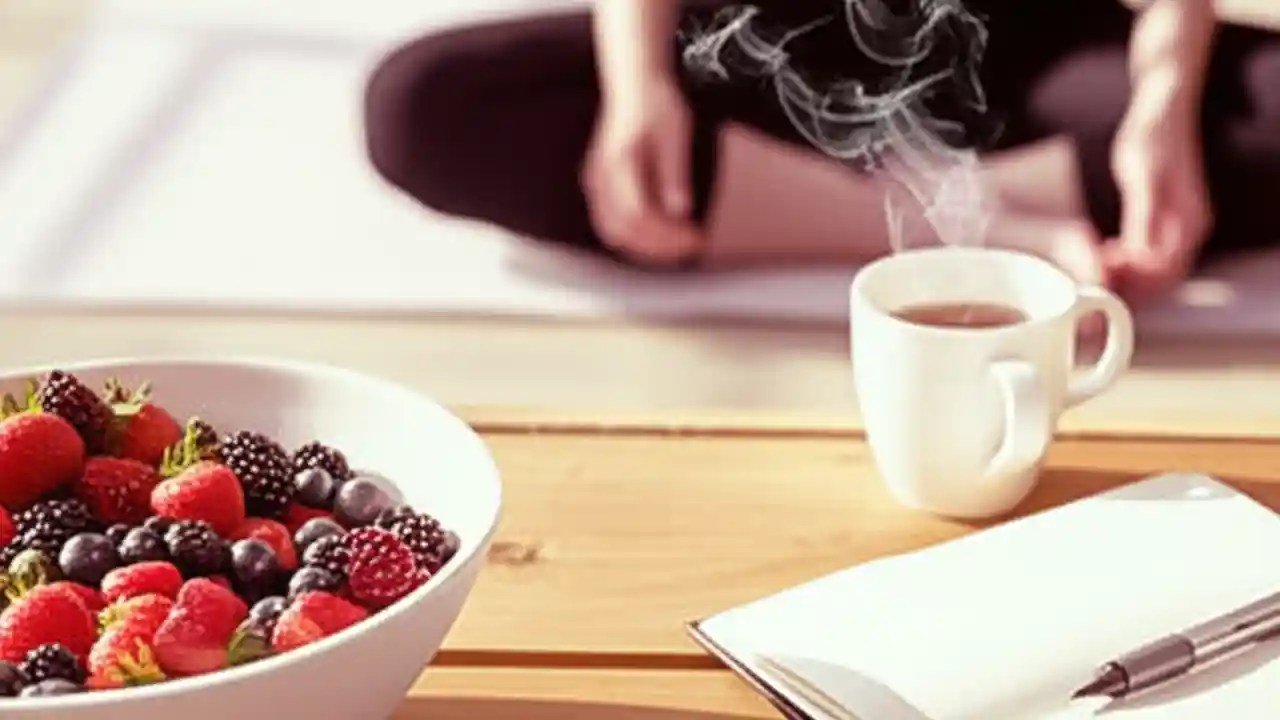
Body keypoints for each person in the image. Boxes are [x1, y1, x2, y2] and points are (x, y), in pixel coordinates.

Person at [362, 0, 1279, 304]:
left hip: (1026, 55)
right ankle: (987, 228)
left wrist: (1162, 106)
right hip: (751, 60)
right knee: (419, 107)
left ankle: (952, 200)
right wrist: (638, 85)